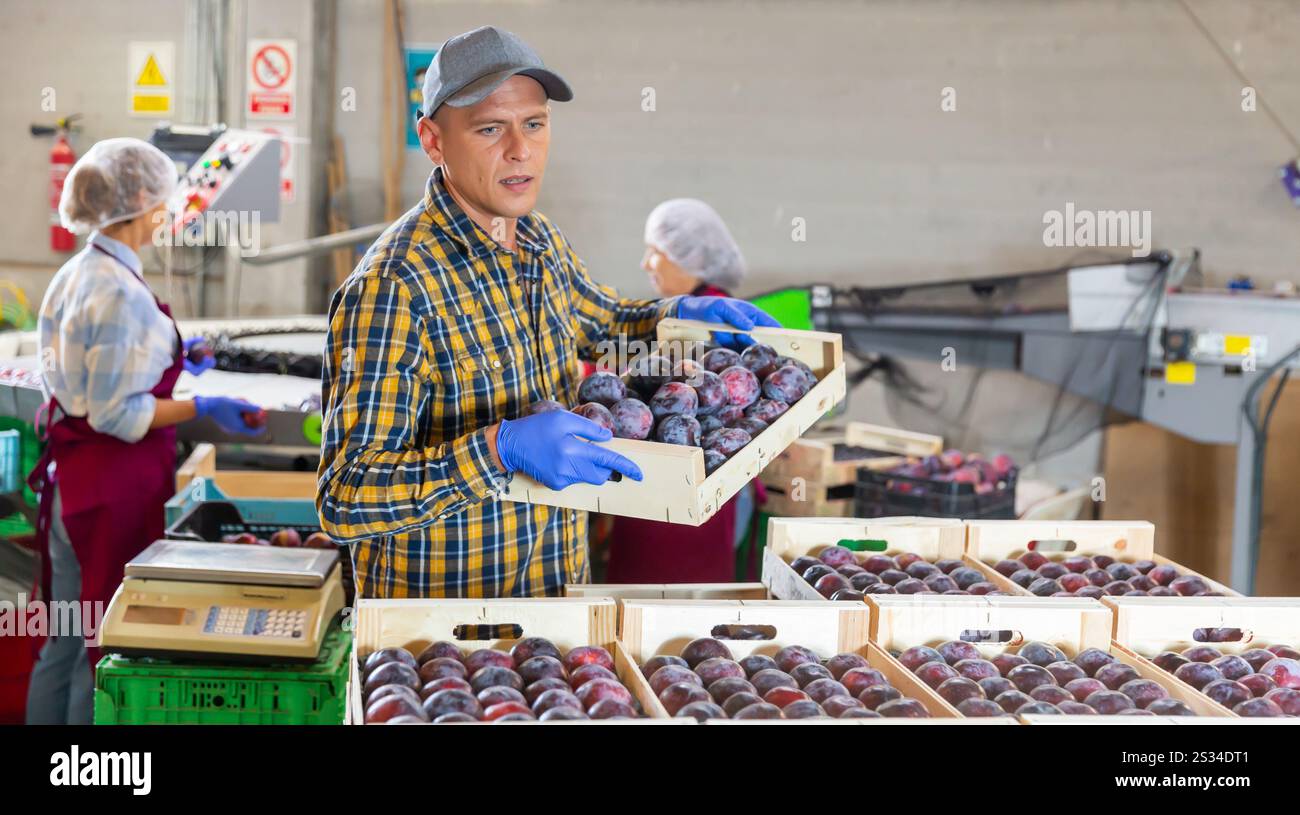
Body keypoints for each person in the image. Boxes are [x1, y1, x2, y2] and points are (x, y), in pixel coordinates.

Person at [317, 26, 777, 599]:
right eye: (490, 129)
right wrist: (497, 450)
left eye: (534, 124)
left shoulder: (538, 241)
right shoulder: (395, 287)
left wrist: (679, 311)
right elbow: (346, 496)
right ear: (433, 141)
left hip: (558, 608)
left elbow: (603, 320)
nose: (520, 150)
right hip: (445, 643)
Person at [26, 138, 264, 724]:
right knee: (103, 643)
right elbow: (117, 414)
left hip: (71, 486)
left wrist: (178, 362)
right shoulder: (121, 293)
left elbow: (96, 371)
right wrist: (201, 404)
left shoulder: (80, 271)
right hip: (110, 492)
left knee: (63, 638)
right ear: (141, 207)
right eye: (164, 198)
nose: (170, 209)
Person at [604, 199, 758, 582]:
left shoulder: (718, 319)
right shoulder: (682, 313)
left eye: (654, 252)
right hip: (655, 478)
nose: (645, 264)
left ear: (685, 257)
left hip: (683, 485)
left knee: (669, 588)